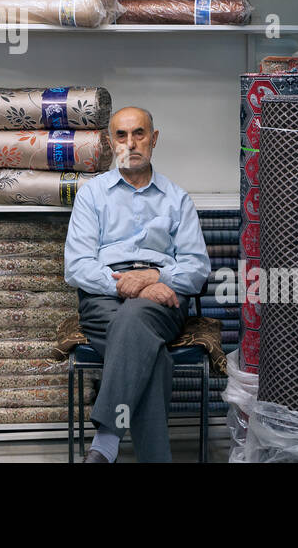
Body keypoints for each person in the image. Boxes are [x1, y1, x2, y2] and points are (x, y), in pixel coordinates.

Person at [64, 105, 210, 463]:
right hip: (104, 295)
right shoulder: (92, 195)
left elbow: (198, 269)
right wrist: (129, 285)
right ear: (110, 142)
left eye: (139, 134)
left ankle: (106, 440)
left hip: (162, 300)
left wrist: (155, 278)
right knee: (153, 356)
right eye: (121, 135)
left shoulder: (177, 199)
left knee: (138, 317)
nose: (131, 143)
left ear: (154, 139)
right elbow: (77, 267)